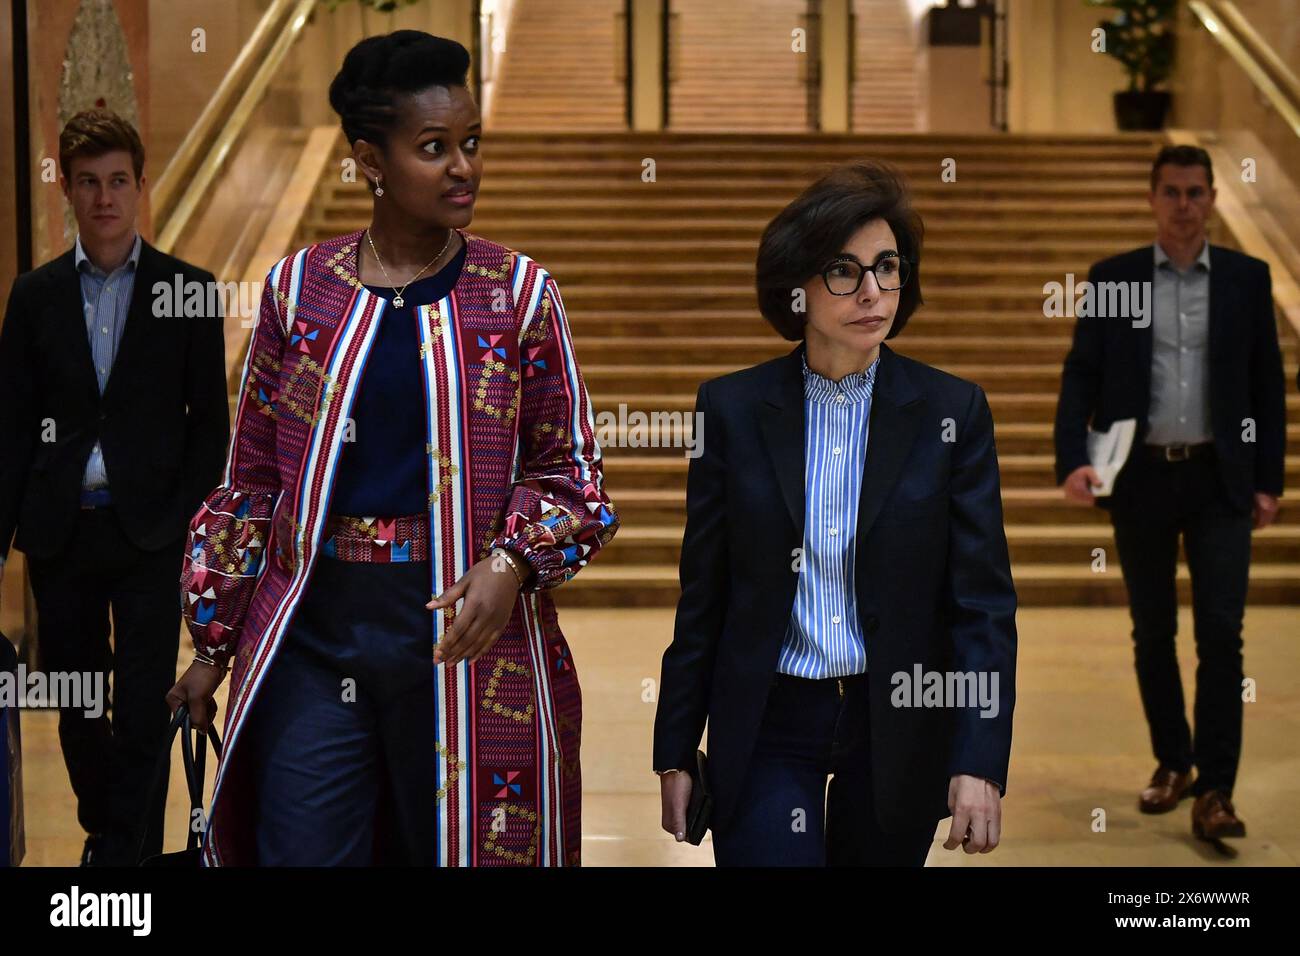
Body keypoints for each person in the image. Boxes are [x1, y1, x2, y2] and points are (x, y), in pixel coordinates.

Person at [168, 31, 618, 866]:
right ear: (371, 161)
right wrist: (212, 642)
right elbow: (253, 480)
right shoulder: (299, 291)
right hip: (316, 631)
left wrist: (510, 563)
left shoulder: (518, 296)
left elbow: (574, 475)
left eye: (471, 144)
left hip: (466, 645)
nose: (463, 168)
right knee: (301, 842)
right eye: (434, 148)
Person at [653, 161, 1017, 866]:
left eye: (888, 267)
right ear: (798, 287)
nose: (873, 291)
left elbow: (982, 606)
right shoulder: (732, 409)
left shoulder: (951, 412)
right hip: (768, 718)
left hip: (899, 722)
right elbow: (704, 591)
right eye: (845, 271)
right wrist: (675, 746)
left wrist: (980, 759)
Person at [0, 109, 229, 865]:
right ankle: (111, 830)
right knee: (73, 703)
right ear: (66, 189)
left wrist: (192, 524)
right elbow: (9, 430)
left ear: (140, 186)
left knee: (140, 708)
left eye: (119, 182)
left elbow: (209, 429)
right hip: (61, 533)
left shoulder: (187, 292)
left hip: (151, 535)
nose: (105, 198)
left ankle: (121, 860)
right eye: (89, 183)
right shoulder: (34, 299)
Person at [1054, 145, 1285, 843]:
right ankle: (1173, 761)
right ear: (1152, 199)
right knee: (1153, 631)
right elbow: (1080, 377)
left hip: (1219, 478)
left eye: (1195, 192)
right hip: (1142, 478)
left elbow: (1267, 389)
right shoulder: (1114, 279)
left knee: (1222, 635)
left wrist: (1268, 479)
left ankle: (1217, 789)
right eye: (1172, 193)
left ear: (1213, 198)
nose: (1184, 205)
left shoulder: (1247, 279)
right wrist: (1072, 459)